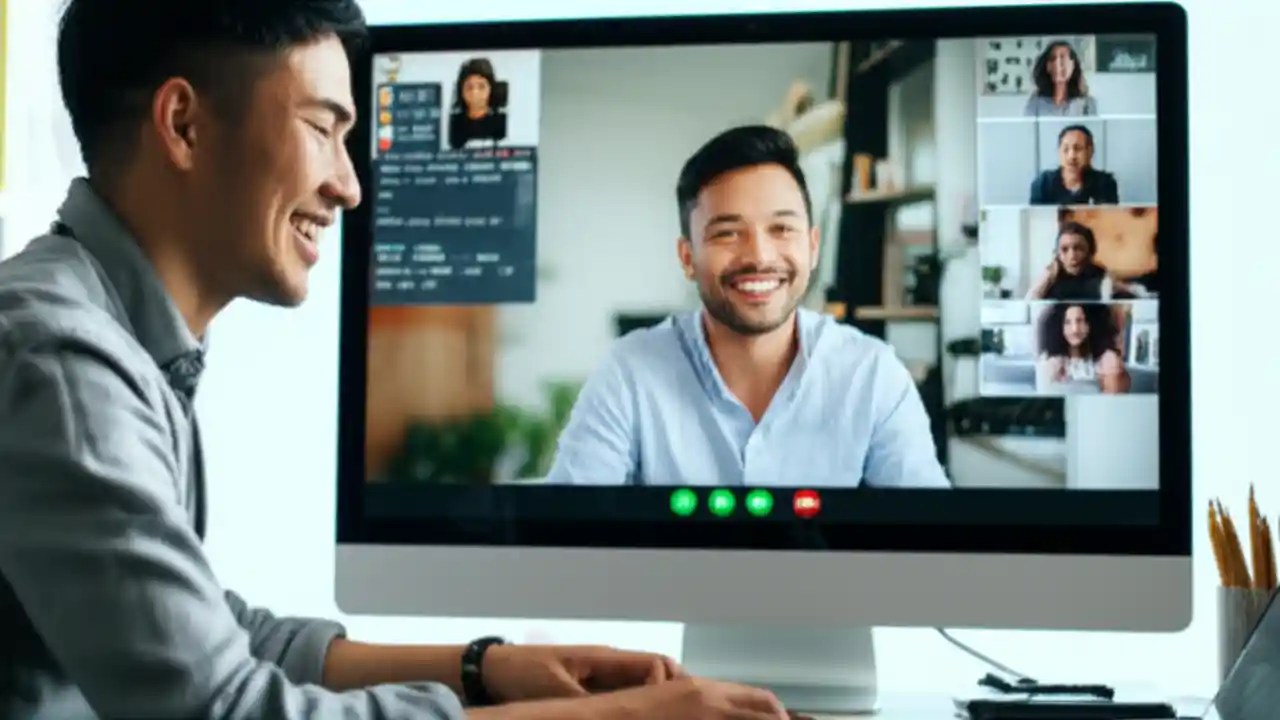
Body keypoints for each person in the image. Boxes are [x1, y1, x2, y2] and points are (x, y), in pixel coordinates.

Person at [0, 3, 789, 720]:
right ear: (183, 124)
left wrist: (485, 667)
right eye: (323, 129)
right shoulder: (61, 362)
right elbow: (222, 710)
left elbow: (213, 634)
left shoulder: (109, 337)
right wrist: (625, 718)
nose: (349, 186)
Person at [544, 125, 951, 488]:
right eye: (728, 233)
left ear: (812, 247)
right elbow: (562, 532)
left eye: (781, 229)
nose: (759, 255)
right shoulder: (630, 372)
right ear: (687, 257)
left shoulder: (872, 373)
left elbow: (930, 540)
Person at [1025, 221, 1140, 301]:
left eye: (1078, 248)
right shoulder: (1050, 278)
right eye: (1065, 249)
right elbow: (1029, 304)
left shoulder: (1102, 278)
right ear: (1057, 253)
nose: (1072, 255)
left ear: (1090, 251)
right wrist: (1046, 278)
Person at [1034, 303, 1130, 395]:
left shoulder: (1107, 360)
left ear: (1089, 324)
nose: (1075, 329)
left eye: (1080, 321)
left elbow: (1112, 399)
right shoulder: (1049, 361)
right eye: (1067, 323)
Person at [1029, 124, 1119, 206]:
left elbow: (1109, 220)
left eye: (1078, 148)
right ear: (1059, 152)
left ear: (1090, 152)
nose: (1071, 156)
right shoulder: (1043, 183)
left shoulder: (1105, 183)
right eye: (1066, 149)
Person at [447, 57, 507, 151]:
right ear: (461, 91)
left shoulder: (501, 122)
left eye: (481, 87)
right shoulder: (454, 124)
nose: (475, 93)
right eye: (469, 87)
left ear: (491, 89)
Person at [1024, 40, 1097, 117]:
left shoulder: (1087, 103)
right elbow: (1027, 127)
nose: (1057, 64)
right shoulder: (1036, 101)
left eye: (1062, 58)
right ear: (1047, 66)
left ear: (1073, 65)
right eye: (1052, 59)